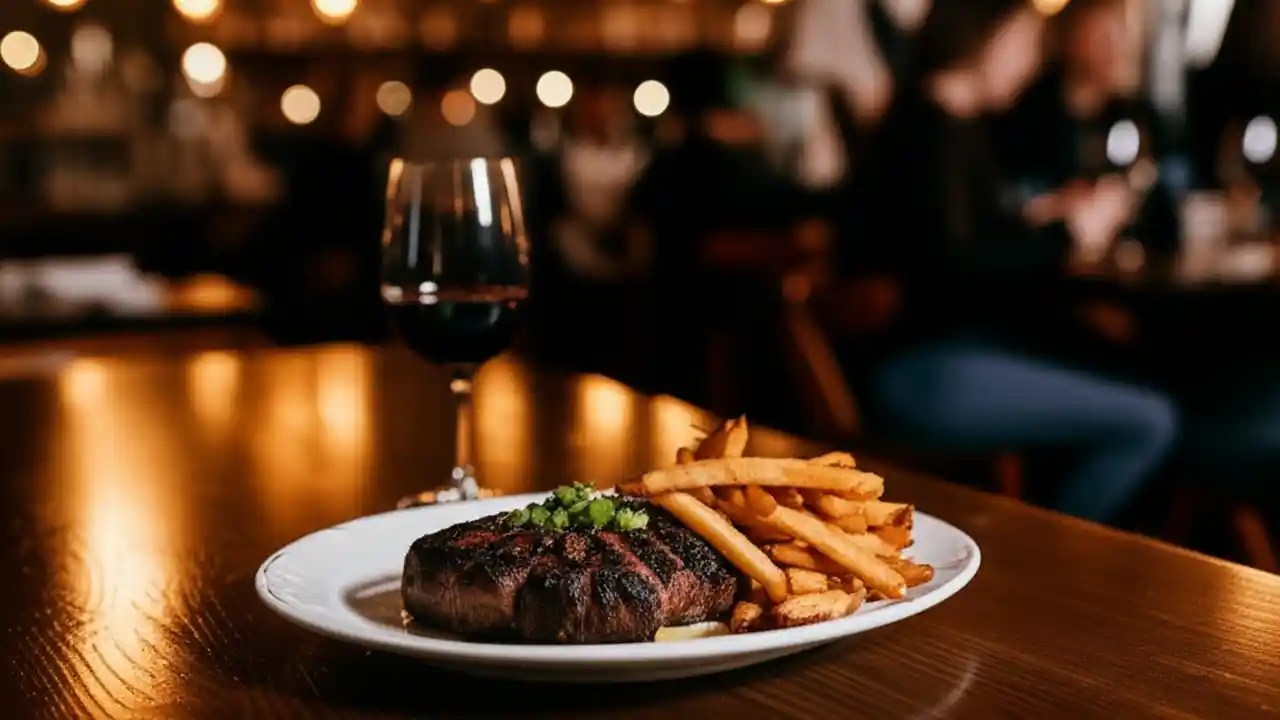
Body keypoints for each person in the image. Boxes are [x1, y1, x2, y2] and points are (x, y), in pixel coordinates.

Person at [849, 0, 1177, 523]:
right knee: (1148, 420)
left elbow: (964, 242)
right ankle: (1044, 553)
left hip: (954, 352)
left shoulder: (951, 124)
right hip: (923, 367)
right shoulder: (927, 130)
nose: (1031, 62)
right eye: (1024, 43)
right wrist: (1068, 234)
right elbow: (952, 270)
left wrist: (1040, 219)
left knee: (1129, 375)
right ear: (984, 36)